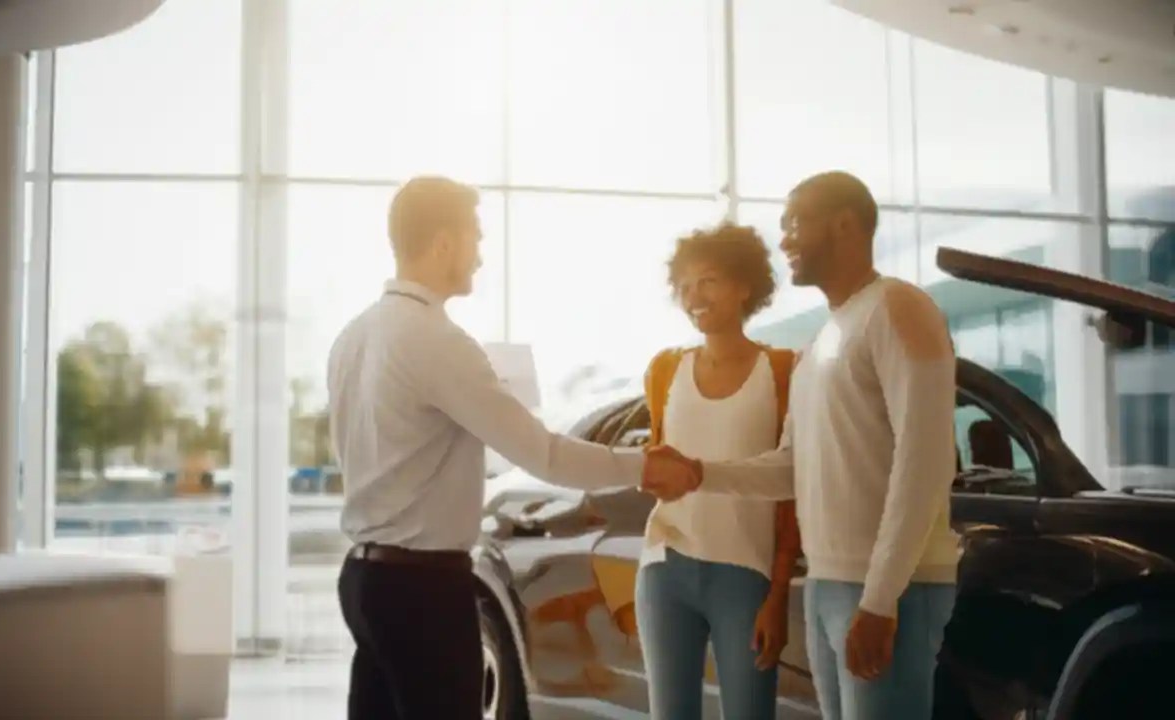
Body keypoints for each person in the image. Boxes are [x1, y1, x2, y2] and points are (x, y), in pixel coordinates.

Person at [327, 176, 645, 720]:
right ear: (444, 242)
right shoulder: (436, 340)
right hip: (422, 589)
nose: (479, 256)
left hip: (365, 581)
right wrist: (647, 465)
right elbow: (546, 456)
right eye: (475, 238)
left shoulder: (353, 336)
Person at [644, 171, 958, 720]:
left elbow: (926, 460)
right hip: (829, 586)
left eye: (795, 223)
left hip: (888, 590)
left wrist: (880, 600)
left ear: (844, 224)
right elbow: (790, 468)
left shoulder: (899, 308)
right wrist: (699, 473)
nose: (784, 238)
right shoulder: (822, 340)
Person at [637, 222, 802, 720]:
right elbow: (658, 464)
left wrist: (777, 595)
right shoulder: (665, 370)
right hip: (666, 566)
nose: (694, 297)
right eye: (685, 287)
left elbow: (789, 491)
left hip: (746, 574)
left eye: (707, 281)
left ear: (743, 285)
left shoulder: (782, 371)